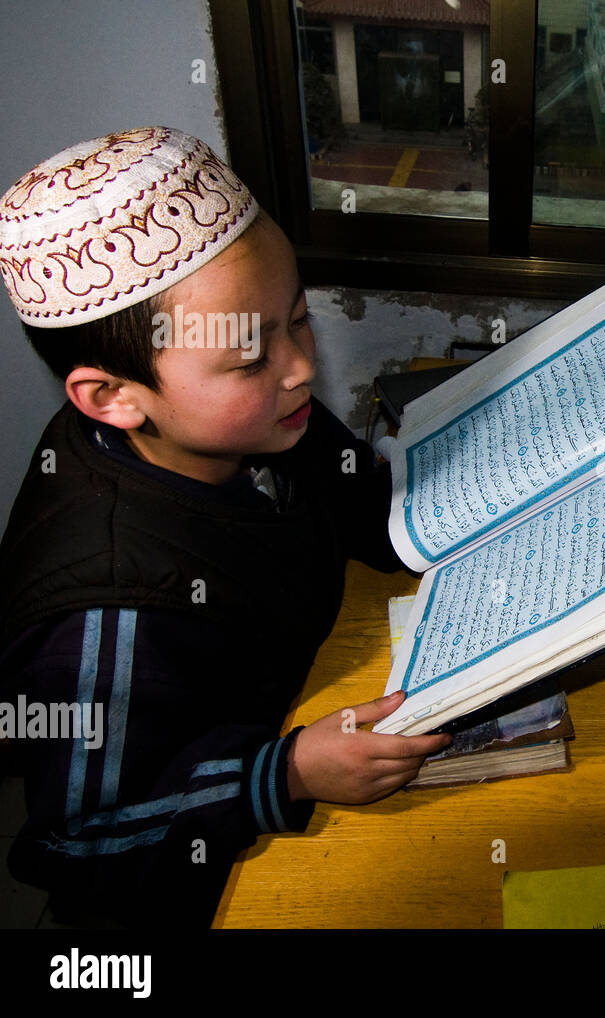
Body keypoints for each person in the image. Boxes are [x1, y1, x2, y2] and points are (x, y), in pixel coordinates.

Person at [0, 127, 451, 927]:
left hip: (313, 683)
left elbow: (366, 512)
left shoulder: (267, 416)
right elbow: (76, 840)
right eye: (249, 356)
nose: (301, 366)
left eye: (300, 320)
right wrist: (283, 776)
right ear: (112, 398)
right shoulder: (103, 609)